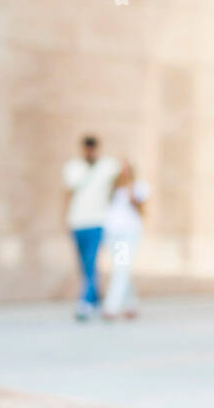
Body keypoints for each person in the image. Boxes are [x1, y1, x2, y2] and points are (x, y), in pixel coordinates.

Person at [62, 136, 121, 320]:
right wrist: (64, 218)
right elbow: (67, 193)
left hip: (97, 221)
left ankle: (85, 303)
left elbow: (120, 183)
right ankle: (94, 297)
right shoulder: (72, 168)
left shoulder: (108, 166)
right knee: (83, 264)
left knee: (91, 262)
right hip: (77, 222)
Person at [101, 162, 150, 320]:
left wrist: (130, 191)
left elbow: (142, 209)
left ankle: (111, 307)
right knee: (122, 269)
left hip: (127, 234)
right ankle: (130, 304)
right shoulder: (113, 190)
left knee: (120, 269)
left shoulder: (139, 187)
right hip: (112, 233)